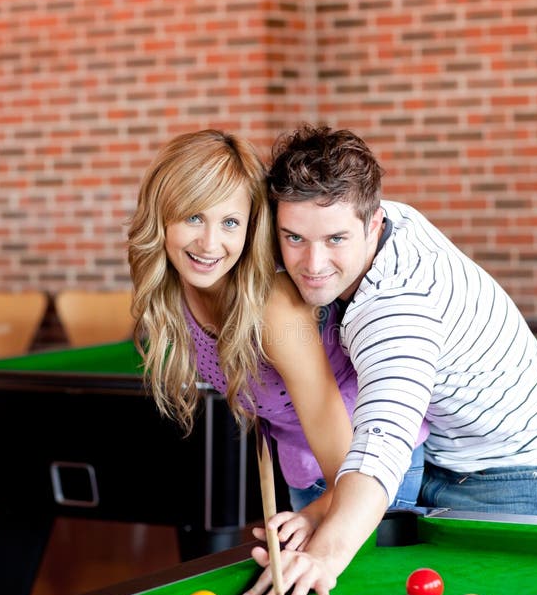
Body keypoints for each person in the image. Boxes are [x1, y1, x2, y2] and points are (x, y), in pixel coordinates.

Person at [242, 123, 537, 595]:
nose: (312, 263)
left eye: (335, 239)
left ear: (373, 224)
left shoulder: (395, 307)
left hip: (520, 473)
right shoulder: (371, 215)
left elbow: (382, 441)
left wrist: (325, 555)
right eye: (294, 237)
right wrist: (318, 513)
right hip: (449, 453)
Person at [127, 129, 427, 550]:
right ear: (161, 217)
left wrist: (314, 519)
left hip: (366, 469)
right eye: (193, 217)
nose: (209, 243)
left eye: (230, 222)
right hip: (302, 468)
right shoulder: (175, 293)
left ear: (251, 228)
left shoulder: (273, 307)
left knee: (345, 587)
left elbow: (349, 467)